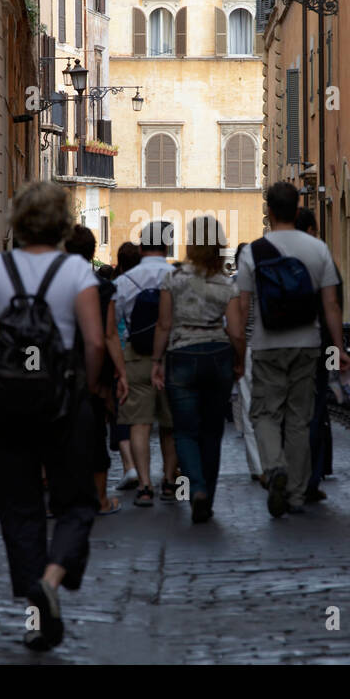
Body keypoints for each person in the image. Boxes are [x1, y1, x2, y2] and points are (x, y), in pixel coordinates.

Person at [0, 181, 104, 651]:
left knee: (19, 511)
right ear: (62, 223)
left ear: (17, 220)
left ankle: (35, 617)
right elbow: (96, 343)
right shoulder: (76, 272)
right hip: (63, 401)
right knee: (76, 503)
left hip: (7, 405)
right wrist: (83, 389)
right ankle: (52, 579)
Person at [236, 182, 350, 518]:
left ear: (269, 211)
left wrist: (238, 351)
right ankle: (298, 493)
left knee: (265, 414)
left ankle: (274, 470)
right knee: (300, 420)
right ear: (298, 208)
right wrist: (338, 347)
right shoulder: (318, 249)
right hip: (308, 344)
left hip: (266, 344)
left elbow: (242, 307)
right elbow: (331, 304)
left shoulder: (252, 251)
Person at [150, 216, 243, 524]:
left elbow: (163, 324)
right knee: (212, 433)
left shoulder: (173, 279)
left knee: (185, 432)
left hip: (181, 354)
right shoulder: (226, 283)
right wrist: (239, 361)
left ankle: (197, 490)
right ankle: (208, 497)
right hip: (217, 354)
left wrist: (156, 362)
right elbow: (237, 331)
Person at [110, 221, 179, 508]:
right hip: (171, 357)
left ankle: (144, 486)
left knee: (139, 423)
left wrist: (119, 368)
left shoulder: (123, 281)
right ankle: (169, 481)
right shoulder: (177, 276)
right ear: (167, 247)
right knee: (169, 423)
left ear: (141, 248)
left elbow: (112, 328)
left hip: (135, 356)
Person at [66, 225, 123, 516]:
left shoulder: (55, 283)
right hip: (94, 367)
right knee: (95, 431)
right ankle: (100, 499)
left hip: (60, 365)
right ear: (91, 252)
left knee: (57, 428)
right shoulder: (102, 288)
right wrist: (120, 373)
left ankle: (55, 492)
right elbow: (109, 335)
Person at [295, 207, 339, 503]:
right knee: (314, 412)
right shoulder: (321, 255)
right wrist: (338, 349)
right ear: (311, 228)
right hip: (318, 345)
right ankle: (310, 477)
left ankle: (283, 473)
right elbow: (334, 304)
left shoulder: (267, 251)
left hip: (277, 346)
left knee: (284, 413)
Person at [228, 241, 263, 484]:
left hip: (249, 347)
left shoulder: (237, 283)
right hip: (273, 346)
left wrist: (237, 359)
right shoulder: (268, 275)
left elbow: (236, 326)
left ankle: (258, 467)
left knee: (250, 408)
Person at [110, 241, 141, 490]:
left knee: (121, 413)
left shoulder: (116, 287)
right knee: (145, 415)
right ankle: (168, 473)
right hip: (146, 354)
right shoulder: (150, 283)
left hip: (121, 356)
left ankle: (129, 466)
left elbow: (111, 328)